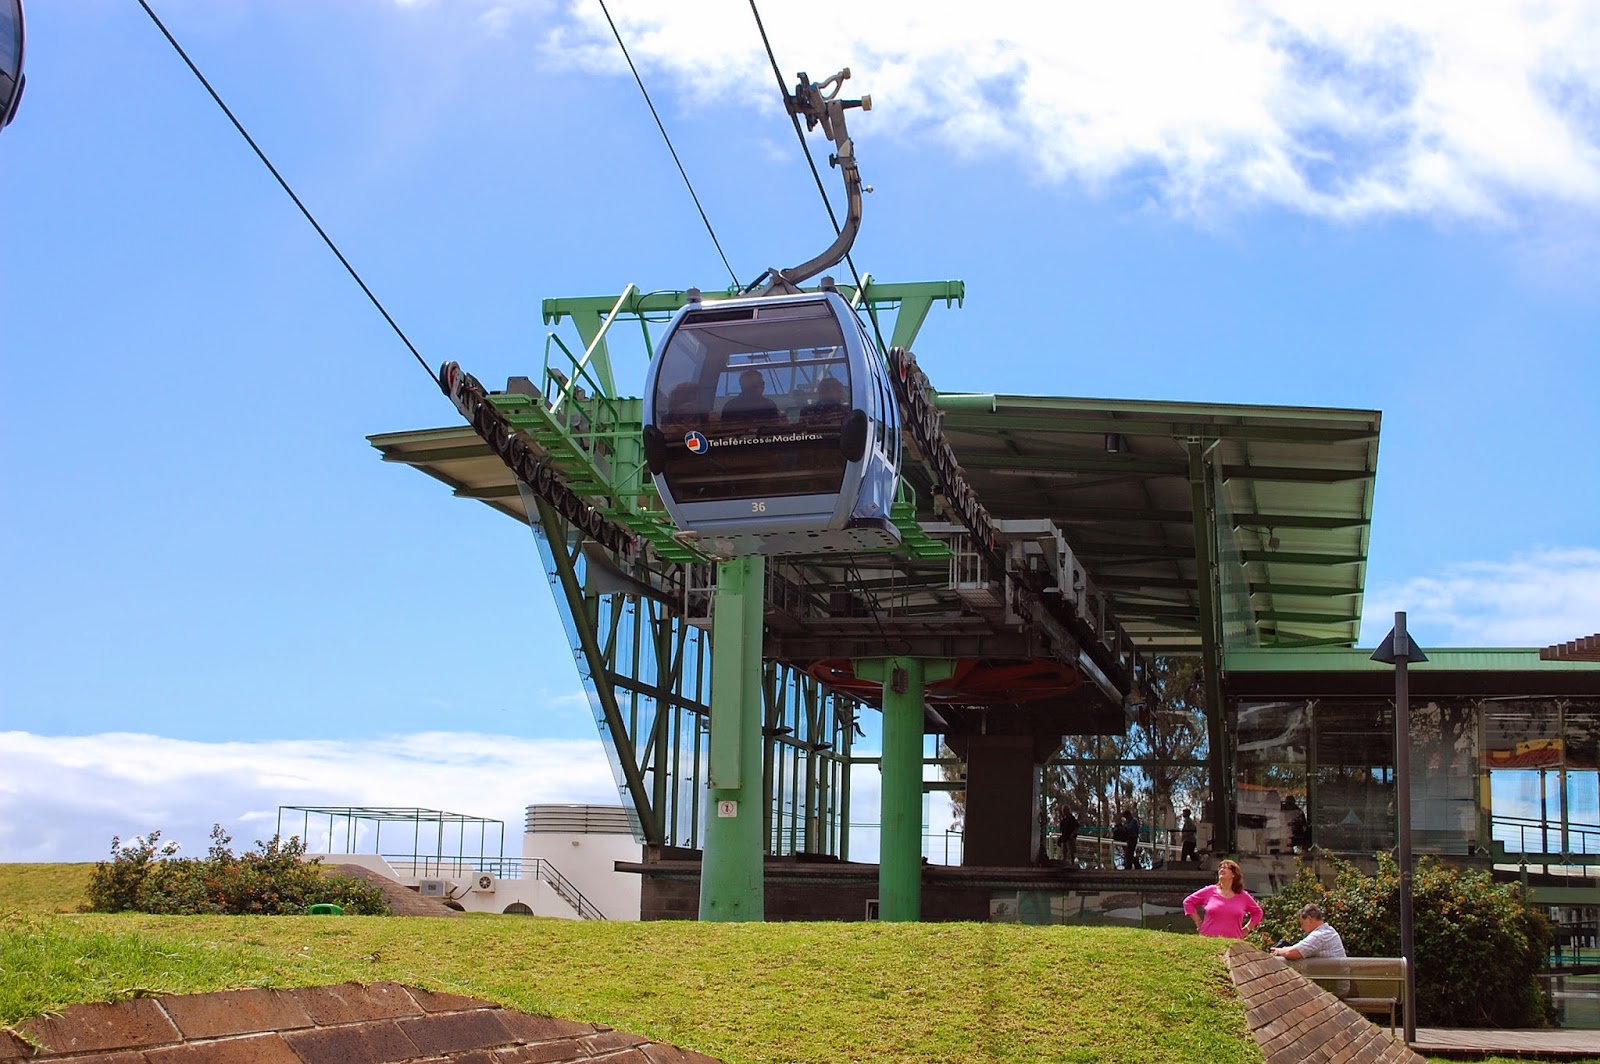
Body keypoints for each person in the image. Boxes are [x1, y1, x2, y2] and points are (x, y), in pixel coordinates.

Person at [1183, 859, 1263, 939]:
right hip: (1208, 940)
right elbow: (1188, 902)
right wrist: (1198, 922)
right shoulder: (1209, 890)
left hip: (1233, 943)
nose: (1221, 870)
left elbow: (1258, 912)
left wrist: (1247, 929)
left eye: (1225, 868)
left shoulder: (1243, 896)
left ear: (1234, 874)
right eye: (1220, 868)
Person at [1271, 903, 1346, 960]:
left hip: (1332, 979)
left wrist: (1279, 951)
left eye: (1302, 923)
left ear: (1309, 919)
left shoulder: (1319, 935)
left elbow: (1292, 953)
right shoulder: (1329, 930)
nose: (1302, 927)